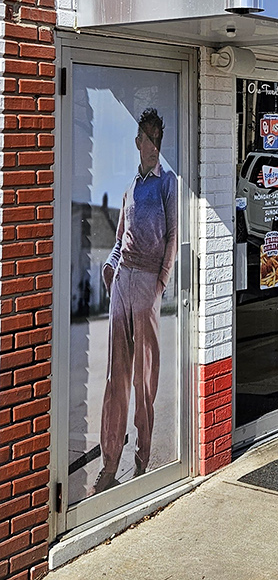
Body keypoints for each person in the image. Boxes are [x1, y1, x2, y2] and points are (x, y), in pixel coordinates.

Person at [94, 108, 178, 494]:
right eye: (141, 137)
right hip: (123, 280)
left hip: (147, 283)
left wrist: (160, 284)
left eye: (147, 138)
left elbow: (173, 238)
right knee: (117, 376)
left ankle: (143, 457)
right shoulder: (131, 187)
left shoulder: (168, 183)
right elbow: (118, 240)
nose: (143, 144)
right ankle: (110, 459)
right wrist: (110, 269)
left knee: (145, 378)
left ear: (155, 142)